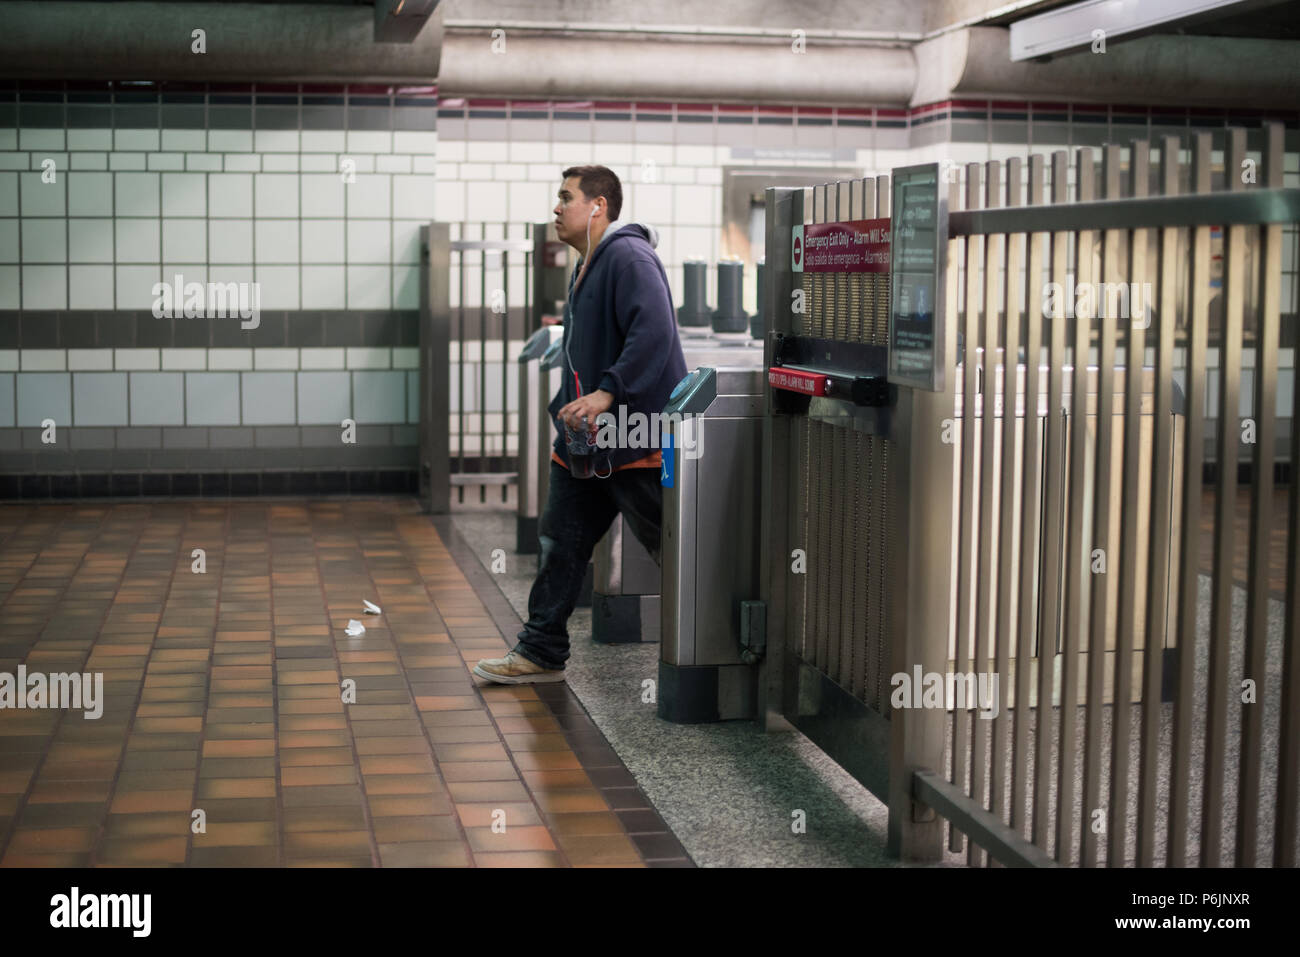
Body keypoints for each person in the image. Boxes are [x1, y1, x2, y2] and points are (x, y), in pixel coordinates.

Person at [474, 165, 687, 684]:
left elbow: (653, 333)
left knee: (678, 547)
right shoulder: (588, 264)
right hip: (586, 443)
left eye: (566, 197)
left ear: (598, 207)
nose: (556, 207)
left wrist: (607, 392)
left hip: (634, 439)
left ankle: (723, 653)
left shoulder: (629, 257)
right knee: (560, 543)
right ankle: (541, 651)